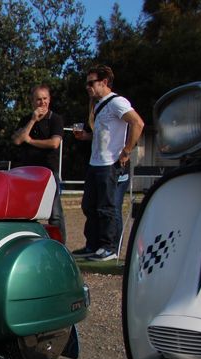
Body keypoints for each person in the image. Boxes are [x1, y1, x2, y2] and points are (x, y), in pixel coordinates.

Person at [72, 65, 144, 262]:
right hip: (95, 162)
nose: (88, 87)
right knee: (89, 205)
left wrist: (127, 150)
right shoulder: (99, 105)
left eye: (91, 83)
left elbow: (137, 123)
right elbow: (102, 133)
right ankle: (93, 245)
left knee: (107, 206)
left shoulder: (117, 102)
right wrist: (86, 136)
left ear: (104, 82)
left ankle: (109, 247)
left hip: (109, 163)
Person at [11, 84, 66, 242]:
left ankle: (61, 246)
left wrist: (31, 141)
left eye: (45, 99)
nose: (42, 103)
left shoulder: (55, 119)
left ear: (49, 100)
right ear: (32, 102)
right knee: (25, 212)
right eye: (38, 99)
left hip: (48, 171)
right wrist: (33, 121)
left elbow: (54, 143)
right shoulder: (26, 120)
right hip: (27, 173)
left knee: (55, 214)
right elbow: (17, 140)